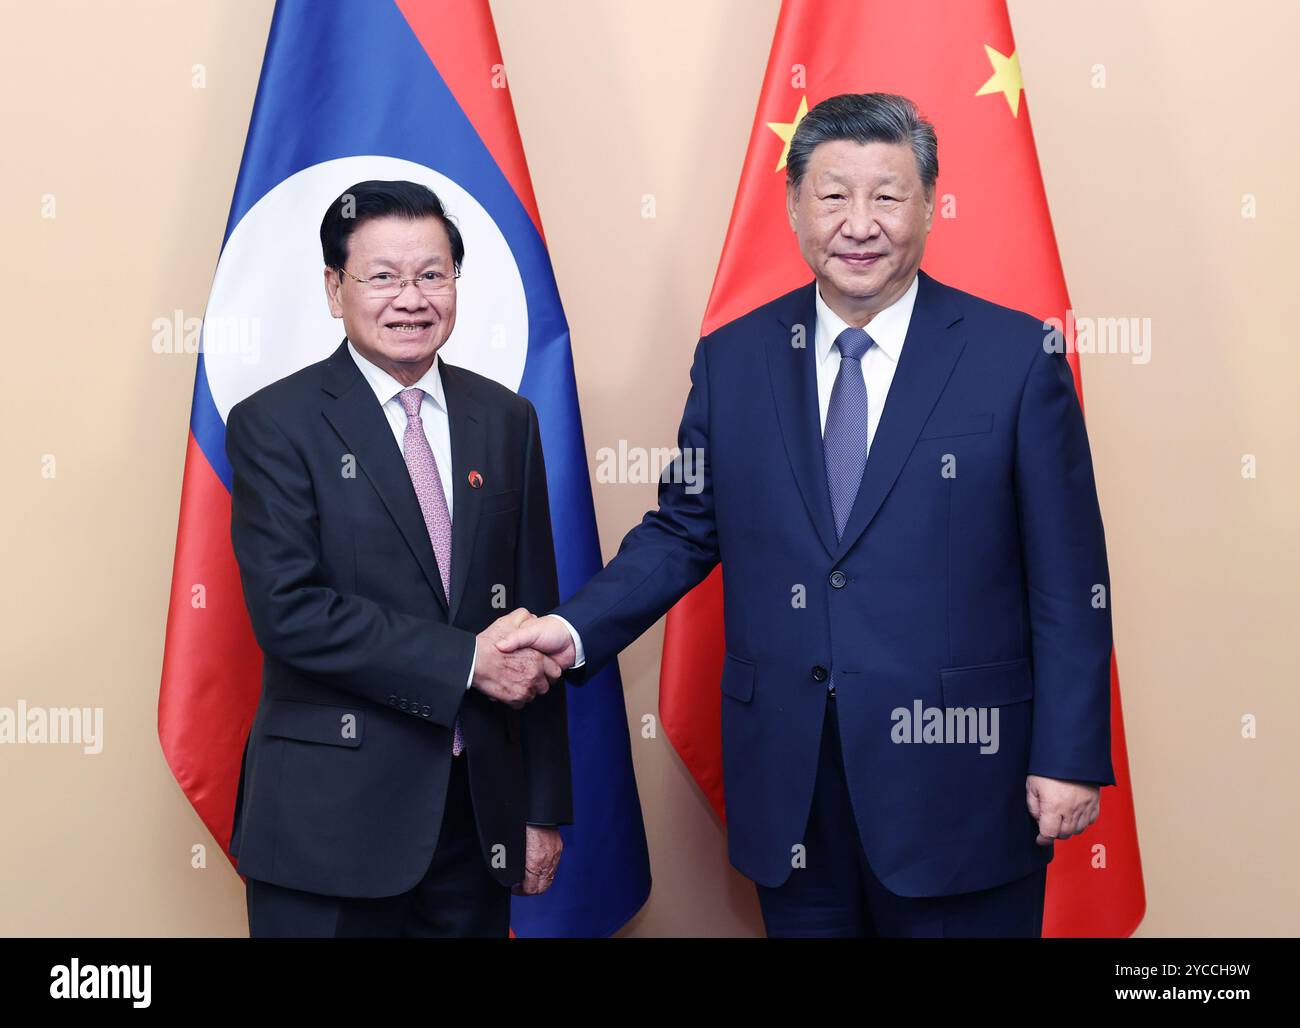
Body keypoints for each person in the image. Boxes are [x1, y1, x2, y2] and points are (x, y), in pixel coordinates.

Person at [501, 94, 1114, 937]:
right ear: (793, 207)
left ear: (931, 205)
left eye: (887, 196)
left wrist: (1070, 756)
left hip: (963, 784)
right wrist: (571, 632)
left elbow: (1069, 579)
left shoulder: (1014, 357)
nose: (859, 223)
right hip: (789, 787)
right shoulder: (736, 357)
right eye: (833, 196)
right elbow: (684, 529)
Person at [225, 180, 571, 937]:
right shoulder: (274, 424)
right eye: (382, 276)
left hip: (474, 820)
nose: (410, 298)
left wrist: (540, 808)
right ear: (333, 288)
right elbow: (289, 612)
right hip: (327, 826)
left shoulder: (505, 419)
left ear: (455, 282)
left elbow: (534, 620)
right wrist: (464, 662)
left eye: (432, 274)